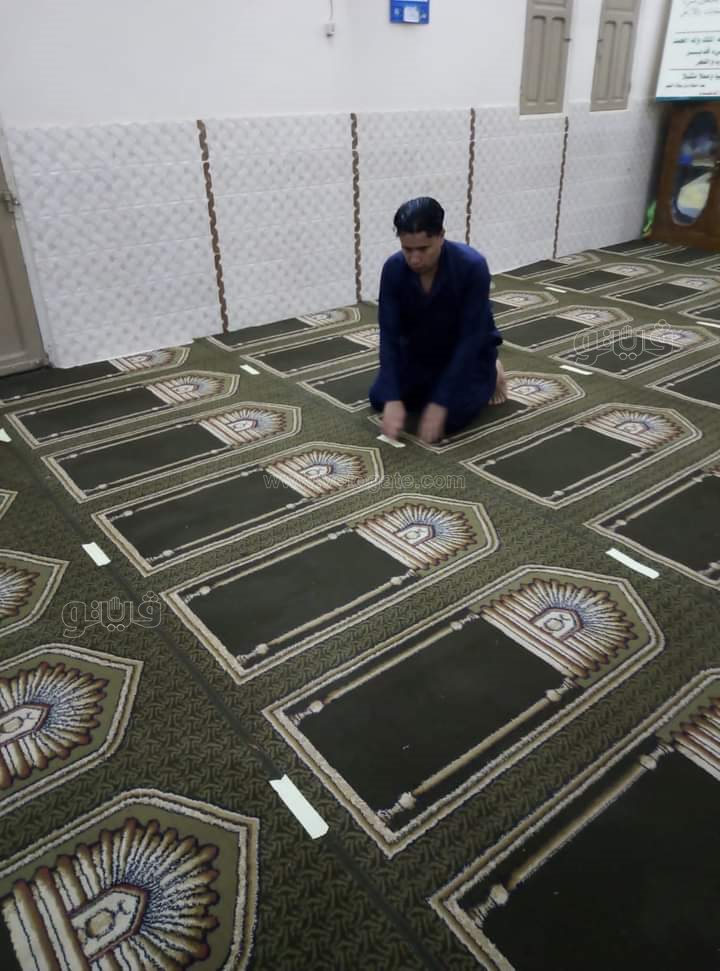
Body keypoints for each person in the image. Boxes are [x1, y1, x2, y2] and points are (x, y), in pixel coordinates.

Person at [370, 197, 507, 444]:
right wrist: (392, 397)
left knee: (449, 419)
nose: (414, 259)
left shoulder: (472, 267)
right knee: (380, 398)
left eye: (423, 249)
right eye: (407, 249)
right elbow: (389, 335)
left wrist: (440, 401)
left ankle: (492, 371)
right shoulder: (393, 268)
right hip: (420, 353)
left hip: (465, 353)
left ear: (441, 236)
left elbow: (471, 338)